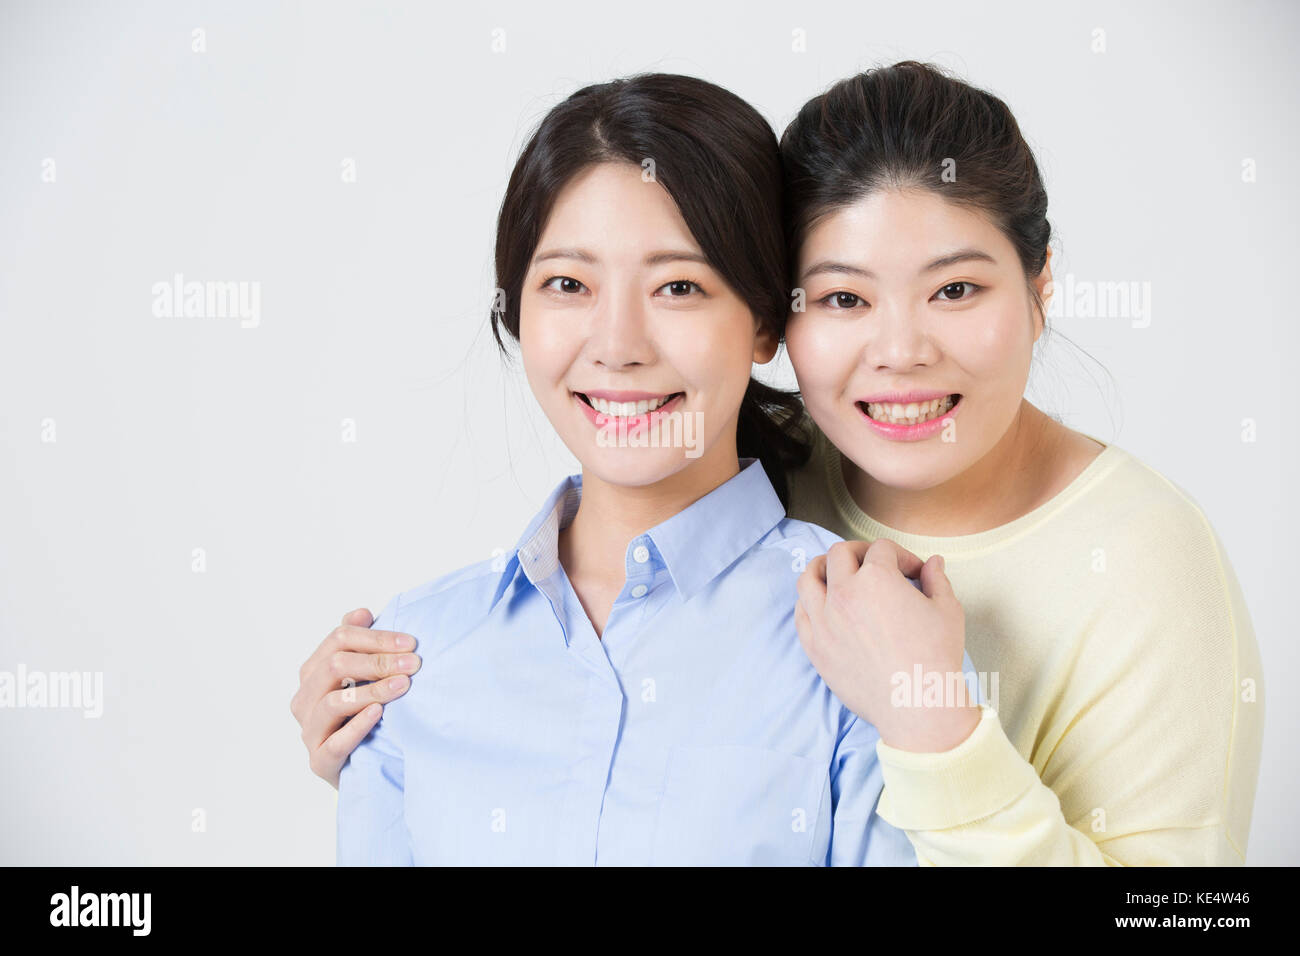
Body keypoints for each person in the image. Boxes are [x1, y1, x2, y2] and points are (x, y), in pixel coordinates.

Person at [302, 62, 1263, 866]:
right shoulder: (735, 467)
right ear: (789, 317)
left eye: (956, 289)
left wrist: (933, 725)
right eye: (844, 299)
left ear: (1040, 283)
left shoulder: (1141, 567)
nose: (900, 352)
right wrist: (393, 725)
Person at [335, 72, 959, 866]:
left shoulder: (872, 638)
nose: (618, 342)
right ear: (515, 313)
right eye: (568, 284)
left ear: (767, 322)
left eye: (678, 286)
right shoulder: (413, 654)